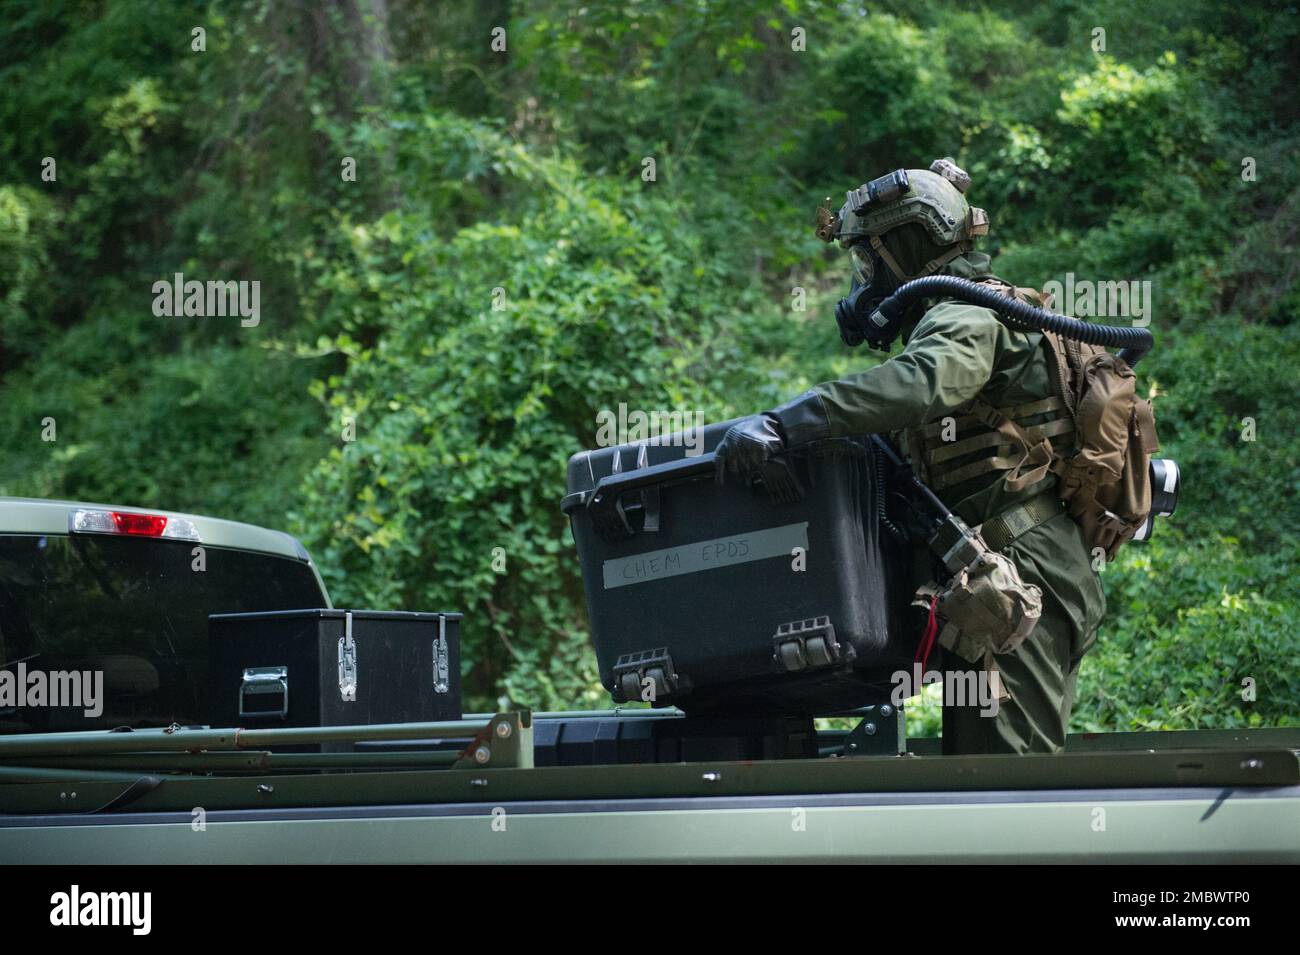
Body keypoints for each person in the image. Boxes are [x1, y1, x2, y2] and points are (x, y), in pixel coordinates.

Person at [714, 159, 1105, 754]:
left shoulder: (967, 316)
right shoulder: (956, 316)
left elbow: (923, 382)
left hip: (1017, 571)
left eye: (866, 260)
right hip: (994, 569)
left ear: (904, 247)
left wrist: (783, 423)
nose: (861, 278)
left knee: (1004, 788)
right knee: (979, 768)